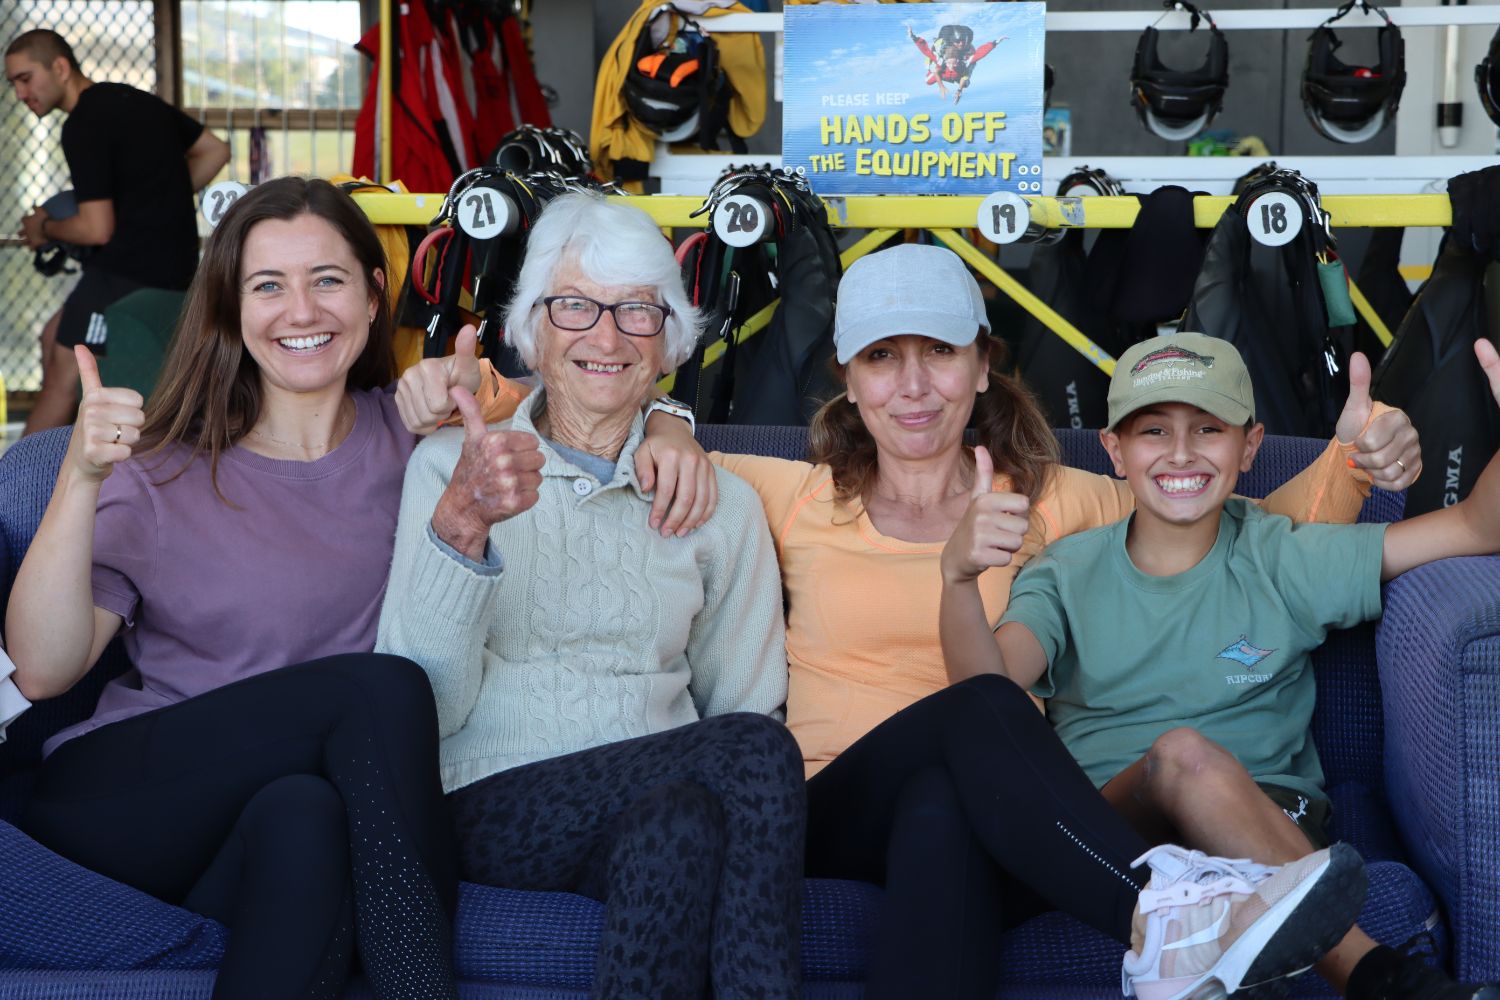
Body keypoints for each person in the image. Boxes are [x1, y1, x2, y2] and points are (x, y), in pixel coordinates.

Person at [4, 177, 709, 1000]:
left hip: (268, 821)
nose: (301, 310)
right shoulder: (163, 469)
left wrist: (673, 422)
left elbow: (581, 385)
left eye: (328, 280)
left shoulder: (424, 447)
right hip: (124, 803)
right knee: (380, 690)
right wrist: (81, 476)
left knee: (309, 818)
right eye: (268, 286)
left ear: (375, 298)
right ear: (231, 309)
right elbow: (44, 672)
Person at [690, 242, 1424, 999]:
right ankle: (1159, 915)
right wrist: (669, 427)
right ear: (849, 379)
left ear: (982, 367)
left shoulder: (1055, 500)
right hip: (831, 809)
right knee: (974, 708)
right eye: (881, 357)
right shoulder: (794, 494)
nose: (913, 385)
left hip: (999, 822)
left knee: (943, 805)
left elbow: (1240, 533)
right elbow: (622, 437)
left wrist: (1355, 460)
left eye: (939, 352)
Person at [943, 331, 1500, 1000]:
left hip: (1268, 819)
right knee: (1180, 756)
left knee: (1205, 812)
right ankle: (1376, 974)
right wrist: (958, 580)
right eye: (1153, 431)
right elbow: (988, 696)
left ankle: (1239, 933)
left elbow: (1475, 528)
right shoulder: (1065, 569)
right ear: (1115, 451)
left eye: (1208, 428)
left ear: (1250, 447)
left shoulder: (1281, 554)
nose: (1181, 452)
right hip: (1112, 835)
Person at [376, 191, 805, 1000]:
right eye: (573, 306)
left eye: (638, 313)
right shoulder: (452, 468)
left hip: (657, 800)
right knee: (754, 751)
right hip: (495, 799)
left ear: (670, 344)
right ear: (530, 333)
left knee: (681, 827)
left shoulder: (725, 505)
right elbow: (422, 703)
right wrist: (463, 527)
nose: (605, 337)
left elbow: (744, 700)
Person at [5, 28, 230, 434]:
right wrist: (156, 200)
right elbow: (216, 149)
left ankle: (19, 490)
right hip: (178, 271)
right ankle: (64, 460)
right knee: (53, 334)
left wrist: (44, 228)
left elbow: (96, 229)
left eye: (25, 79)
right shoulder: (134, 100)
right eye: (13, 84)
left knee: (61, 380)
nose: (20, 94)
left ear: (60, 67)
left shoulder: (82, 125)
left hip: (127, 275)